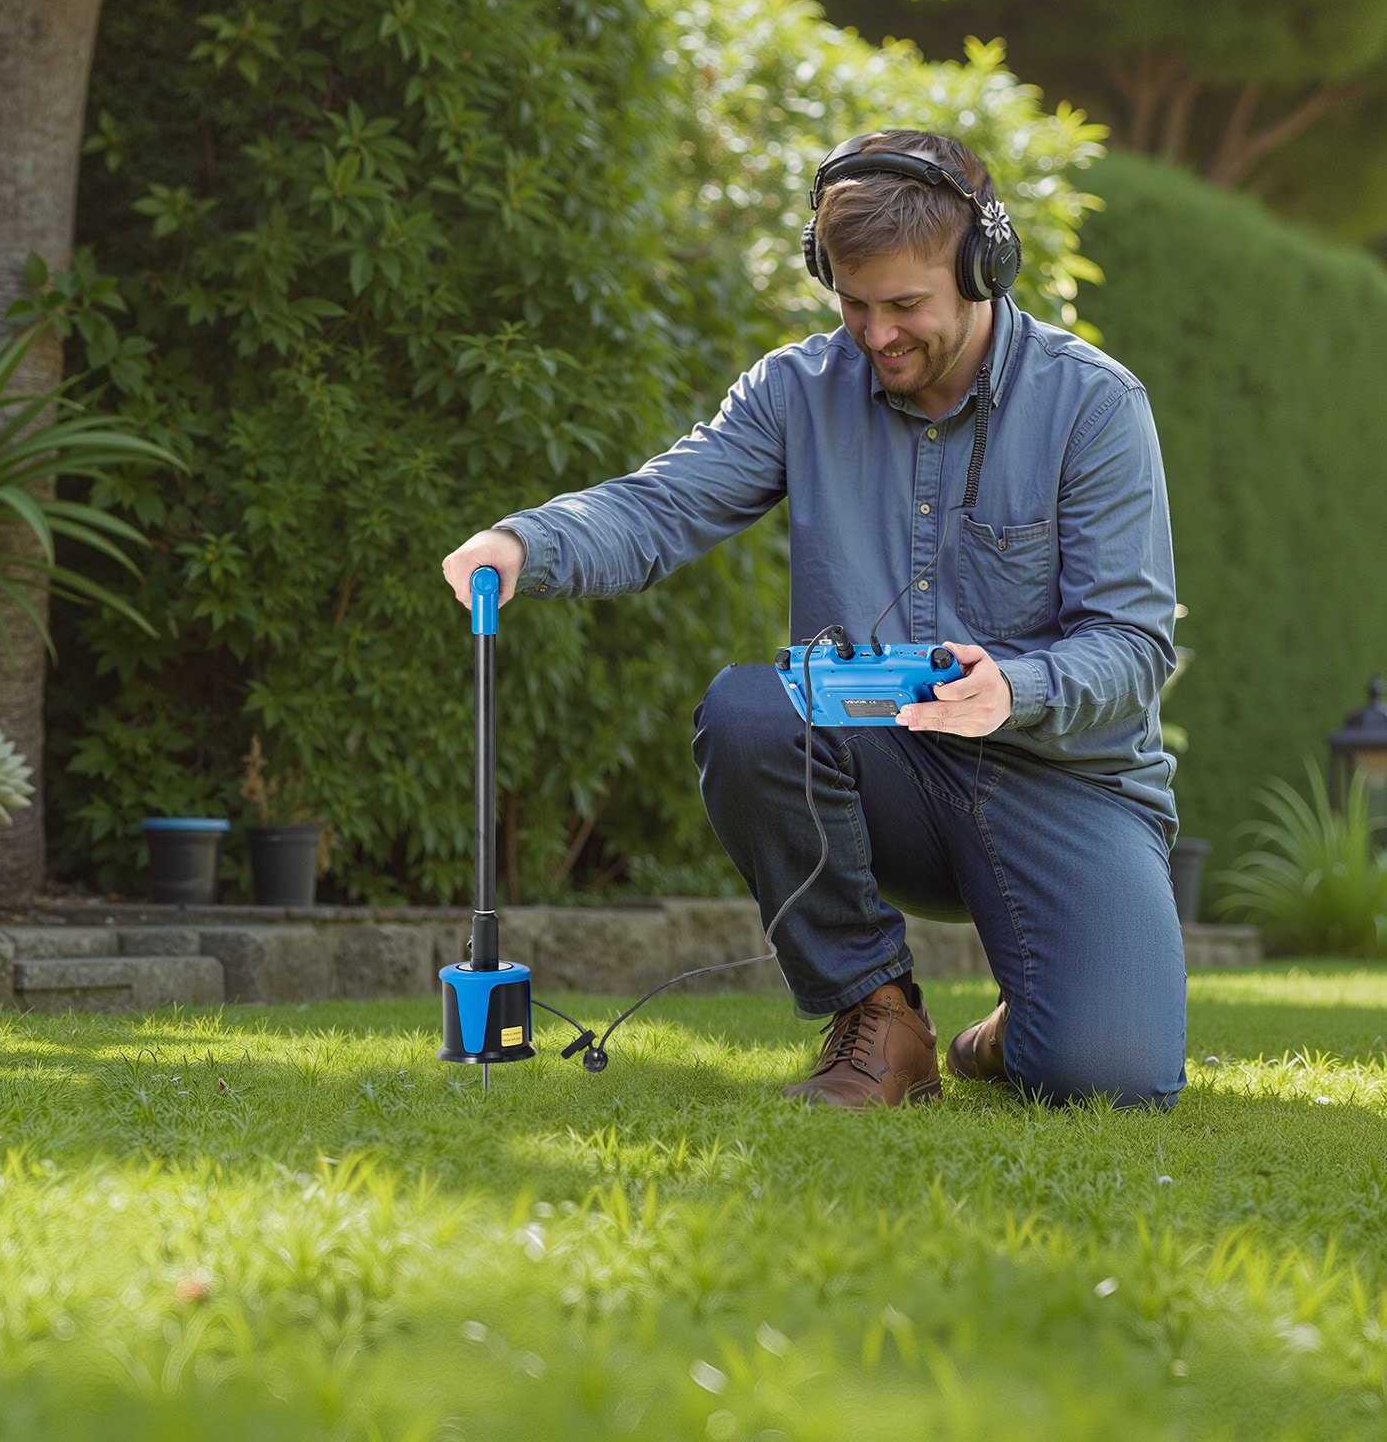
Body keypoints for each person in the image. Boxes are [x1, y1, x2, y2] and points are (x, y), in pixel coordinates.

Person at [441, 129, 1187, 1112]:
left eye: (905, 305)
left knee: (1106, 1078)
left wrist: (1016, 685)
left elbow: (1133, 645)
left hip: (1063, 776)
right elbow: (664, 503)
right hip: (889, 767)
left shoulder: (1093, 405)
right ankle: (878, 1016)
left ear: (982, 269)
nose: (874, 334)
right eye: (852, 303)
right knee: (753, 715)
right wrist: (527, 542)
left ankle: (1035, 1012)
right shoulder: (796, 389)